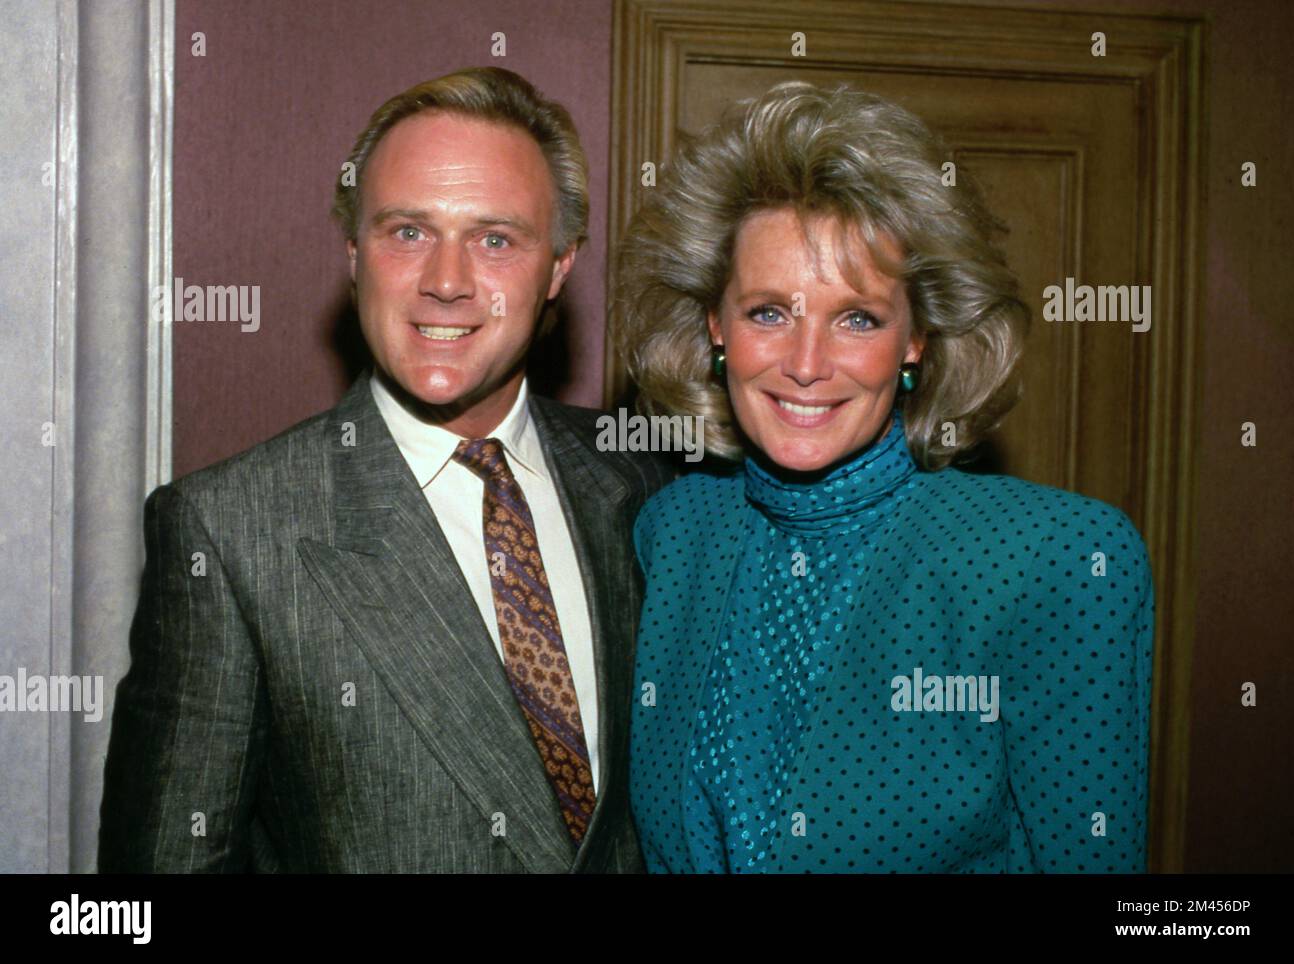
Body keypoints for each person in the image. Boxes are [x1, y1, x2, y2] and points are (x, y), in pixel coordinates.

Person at [99, 67, 673, 873]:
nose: (445, 280)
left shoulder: (649, 483)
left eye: (496, 238)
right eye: (407, 231)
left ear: (559, 268)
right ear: (354, 253)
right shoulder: (230, 531)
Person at [613, 80, 1153, 873]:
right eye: (769, 312)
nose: (805, 365)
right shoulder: (679, 532)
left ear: (916, 342)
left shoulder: (1057, 561)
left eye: (856, 318)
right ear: (714, 326)